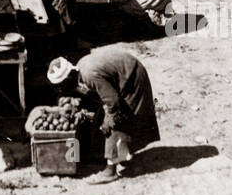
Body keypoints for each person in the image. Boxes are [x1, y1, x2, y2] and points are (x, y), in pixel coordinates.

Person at [47, 44, 159, 183]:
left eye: (61, 85)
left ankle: (110, 170)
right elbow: (101, 91)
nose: (61, 89)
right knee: (106, 115)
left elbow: (113, 103)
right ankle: (116, 154)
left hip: (132, 78)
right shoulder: (81, 68)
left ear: (68, 77)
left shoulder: (89, 75)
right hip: (124, 72)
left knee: (117, 120)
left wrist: (108, 122)